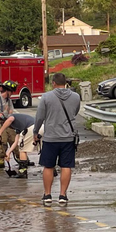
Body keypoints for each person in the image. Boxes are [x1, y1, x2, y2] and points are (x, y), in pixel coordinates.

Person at [34, 72, 81, 206]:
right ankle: (63, 195)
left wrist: (36, 131)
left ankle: (47, 195)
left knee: (48, 166)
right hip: (68, 137)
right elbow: (75, 112)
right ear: (65, 83)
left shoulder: (46, 97)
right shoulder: (76, 97)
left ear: (53, 83)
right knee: (66, 166)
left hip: (51, 137)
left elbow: (39, 117)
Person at [0, 110, 36, 179]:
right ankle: (51, 170)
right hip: (41, 128)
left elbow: (10, 119)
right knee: (43, 149)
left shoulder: (11, 117)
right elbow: (16, 142)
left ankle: (22, 172)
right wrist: (8, 153)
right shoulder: (20, 126)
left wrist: (0, 132)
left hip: (31, 128)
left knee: (22, 150)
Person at [0, 81, 19, 166]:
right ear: (7, 91)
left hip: (8, 123)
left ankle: (22, 160)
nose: (12, 94)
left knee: (14, 141)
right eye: (11, 92)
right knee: (1, 143)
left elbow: (11, 111)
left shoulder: (9, 101)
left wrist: (10, 113)